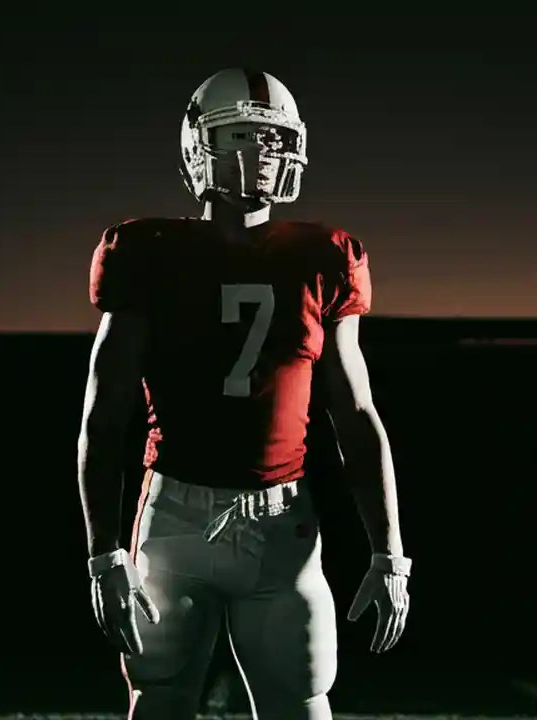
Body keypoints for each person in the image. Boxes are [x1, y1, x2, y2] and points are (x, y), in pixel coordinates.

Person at [77, 68, 411, 720]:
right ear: (197, 146)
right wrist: (102, 553)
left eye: (272, 138)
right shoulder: (147, 251)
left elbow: (356, 413)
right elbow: (104, 410)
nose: (260, 153)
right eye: (240, 136)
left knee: (302, 699)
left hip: (282, 522)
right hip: (175, 516)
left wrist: (390, 552)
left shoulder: (325, 257)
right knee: (159, 694)